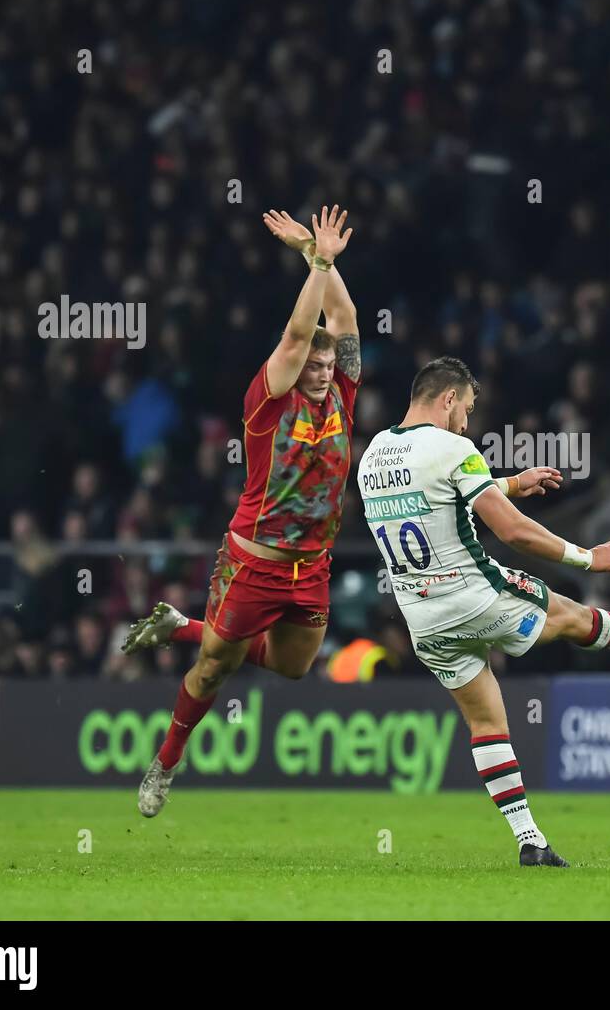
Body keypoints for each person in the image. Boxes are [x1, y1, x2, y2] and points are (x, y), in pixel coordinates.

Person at [357, 356, 610, 866]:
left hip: (421, 617)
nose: (468, 421)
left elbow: (432, 498)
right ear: (447, 399)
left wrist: (505, 483)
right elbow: (514, 532)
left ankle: (530, 841)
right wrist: (586, 557)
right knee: (568, 614)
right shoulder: (453, 447)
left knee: (486, 723)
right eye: (467, 408)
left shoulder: (373, 454)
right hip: (471, 593)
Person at [122, 207, 360, 817]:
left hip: (311, 568)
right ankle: (165, 763)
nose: (324, 369)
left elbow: (346, 319)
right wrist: (318, 262)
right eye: (314, 361)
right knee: (211, 671)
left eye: (330, 364)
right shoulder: (266, 405)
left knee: (293, 667)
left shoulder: (343, 394)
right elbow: (295, 335)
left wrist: (316, 253)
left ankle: (179, 624)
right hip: (253, 564)